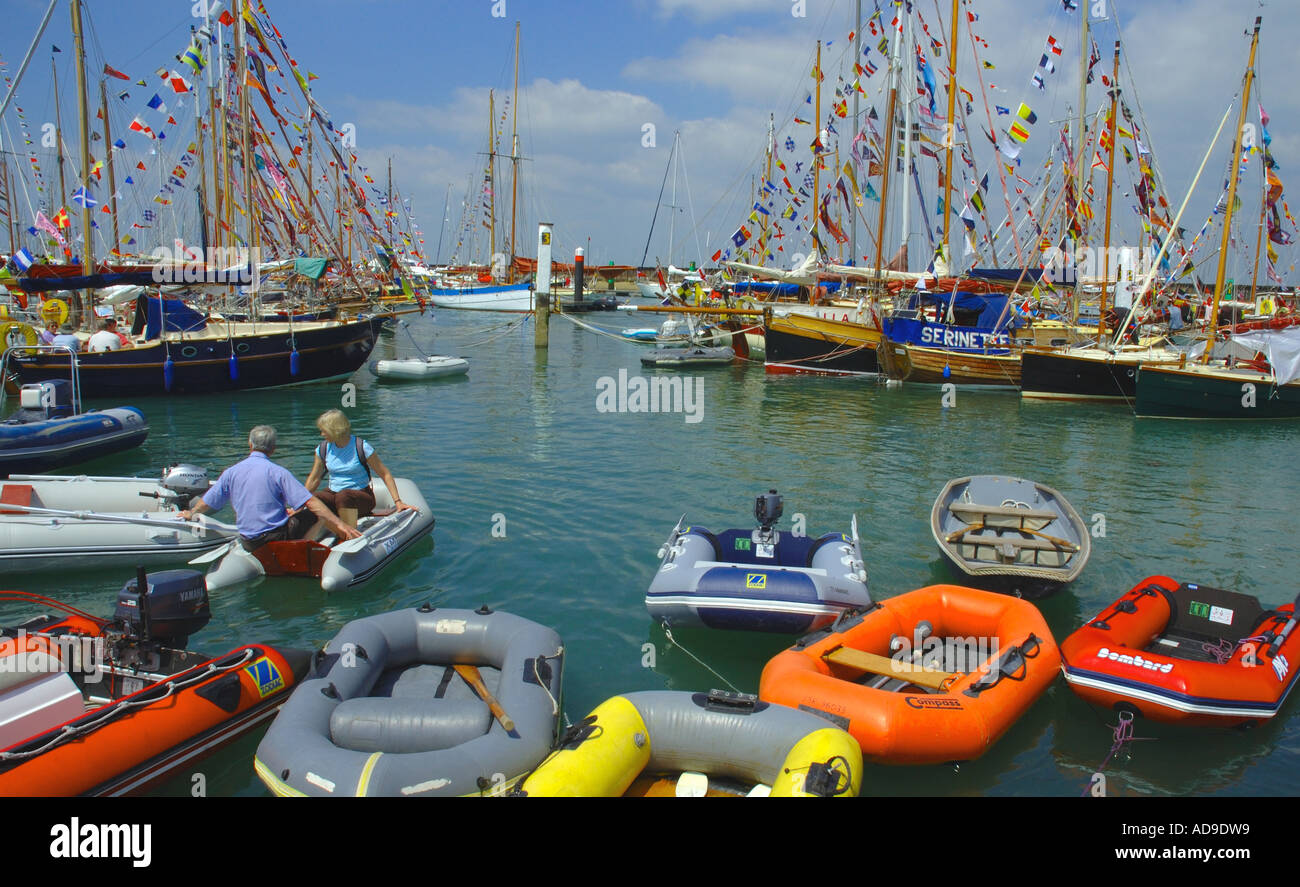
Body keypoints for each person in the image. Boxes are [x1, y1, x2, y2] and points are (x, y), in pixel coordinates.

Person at [180, 425, 361, 552]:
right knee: (320, 510)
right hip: (275, 538)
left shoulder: (231, 472)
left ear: (250, 445)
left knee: (296, 514)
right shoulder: (278, 472)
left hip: (248, 541)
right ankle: (302, 547)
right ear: (273, 449)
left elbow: (207, 503)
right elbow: (311, 502)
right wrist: (340, 524)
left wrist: (191, 513)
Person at [304, 409, 416, 525]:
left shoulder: (361, 447)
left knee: (344, 496)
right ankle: (321, 531)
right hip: (334, 494)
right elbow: (314, 478)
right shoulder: (323, 449)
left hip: (360, 497)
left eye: (324, 431)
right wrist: (299, 504)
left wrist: (398, 501)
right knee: (315, 498)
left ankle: (349, 532)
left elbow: (384, 474)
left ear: (335, 429)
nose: (322, 434)